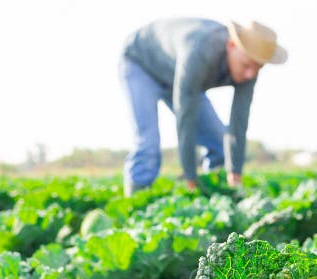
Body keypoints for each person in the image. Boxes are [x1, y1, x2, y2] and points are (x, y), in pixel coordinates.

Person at [119, 18, 287, 196]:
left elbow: (239, 121)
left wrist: (235, 174)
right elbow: (186, 119)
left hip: (182, 77)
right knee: (148, 144)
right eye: (246, 66)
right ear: (231, 45)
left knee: (219, 142)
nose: (250, 74)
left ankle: (212, 197)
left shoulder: (250, 66)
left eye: (257, 68)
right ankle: (135, 205)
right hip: (141, 64)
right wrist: (190, 176)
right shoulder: (201, 50)